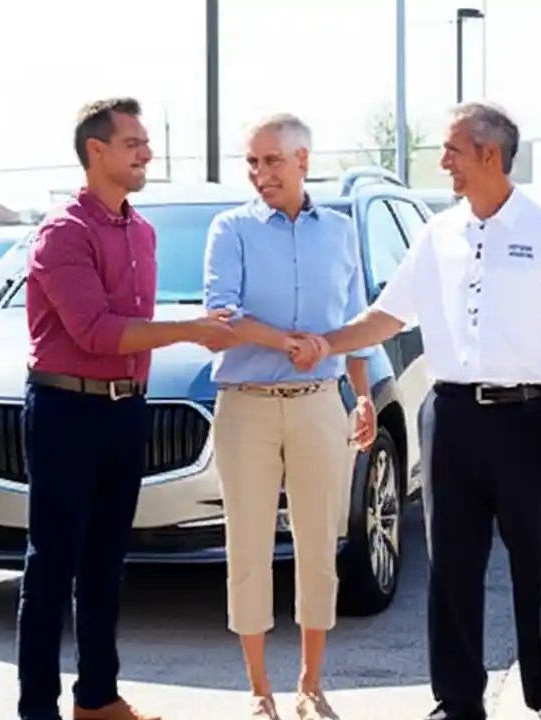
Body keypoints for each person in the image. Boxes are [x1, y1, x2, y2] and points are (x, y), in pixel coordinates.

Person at [289, 101, 541, 720]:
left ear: (489, 153)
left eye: (452, 149)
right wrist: (330, 342)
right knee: (452, 565)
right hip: (451, 418)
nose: (444, 162)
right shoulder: (438, 232)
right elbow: (389, 314)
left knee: (537, 561)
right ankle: (457, 701)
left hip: (529, 418)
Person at [17, 97, 238, 720]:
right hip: (66, 411)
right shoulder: (64, 232)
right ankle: (37, 709)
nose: (147, 152)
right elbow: (96, 331)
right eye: (134, 142)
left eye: (145, 142)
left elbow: (128, 332)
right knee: (52, 562)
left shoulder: (141, 230)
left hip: (125, 412)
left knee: (107, 559)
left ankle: (98, 699)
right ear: (97, 151)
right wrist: (190, 330)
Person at [203, 112, 377, 720]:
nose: (259, 173)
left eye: (271, 160)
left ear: (303, 159)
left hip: (317, 408)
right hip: (245, 409)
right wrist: (288, 344)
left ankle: (310, 686)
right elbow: (221, 318)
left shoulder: (342, 231)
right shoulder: (230, 228)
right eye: (251, 162)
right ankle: (258, 692)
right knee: (246, 547)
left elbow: (354, 321)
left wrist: (361, 394)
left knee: (318, 546)